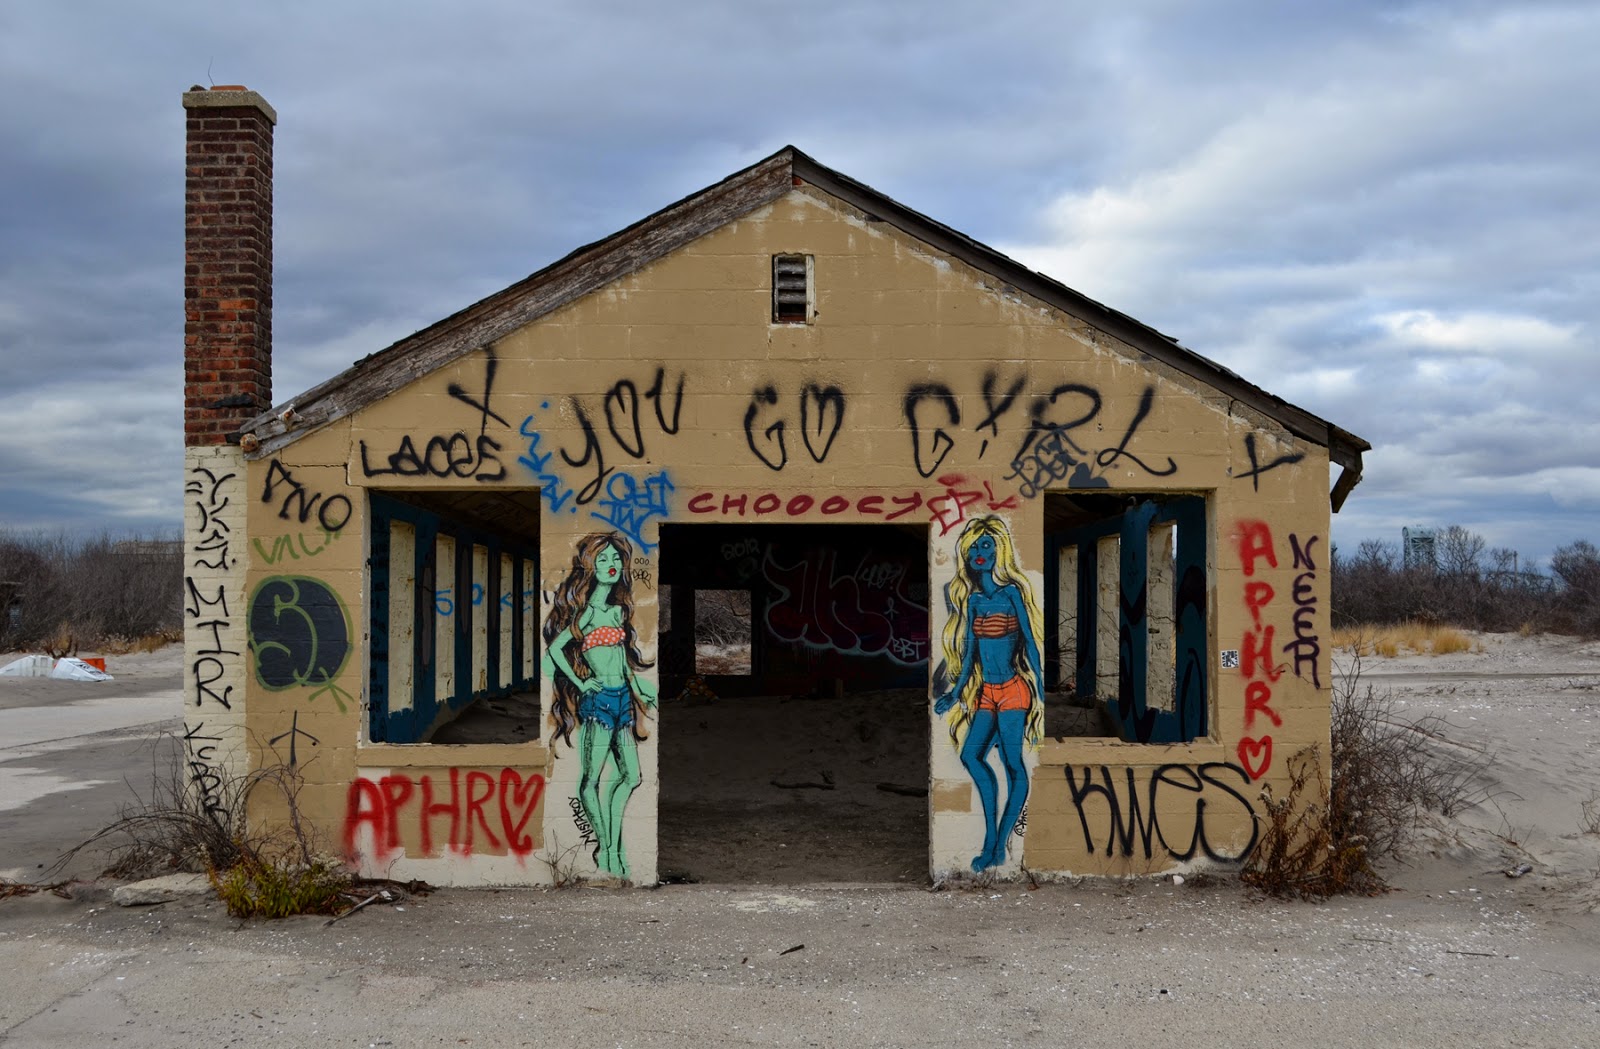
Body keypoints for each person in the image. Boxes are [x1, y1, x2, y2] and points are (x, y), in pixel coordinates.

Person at [542, 532, 657, 879]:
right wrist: (580, 683)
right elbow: (554, 651)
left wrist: (637, 686)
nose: (610, 565)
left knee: (632, 777)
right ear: (590, 566)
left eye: (615, 559)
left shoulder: (618, 610)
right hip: (598, 703)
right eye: (602, 559)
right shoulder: (586, 611)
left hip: (623, 698)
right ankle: (608, 849)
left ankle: (613, 847)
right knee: (590, 780)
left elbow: (621, 658)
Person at [933, 515, 1044, 871]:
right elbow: (969, 654)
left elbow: (1029, 643)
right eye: (975, 547)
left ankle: (997, 843)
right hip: (986, 693)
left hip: (1013, 691)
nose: (980, 552)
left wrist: (1041, 686)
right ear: (966, 554)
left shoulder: (1012, 594)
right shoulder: (975, 602)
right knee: (970, 755)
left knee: (1013, 764)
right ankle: (994, 842)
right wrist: (954, 693)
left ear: (1000, 551)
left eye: (987, 545)